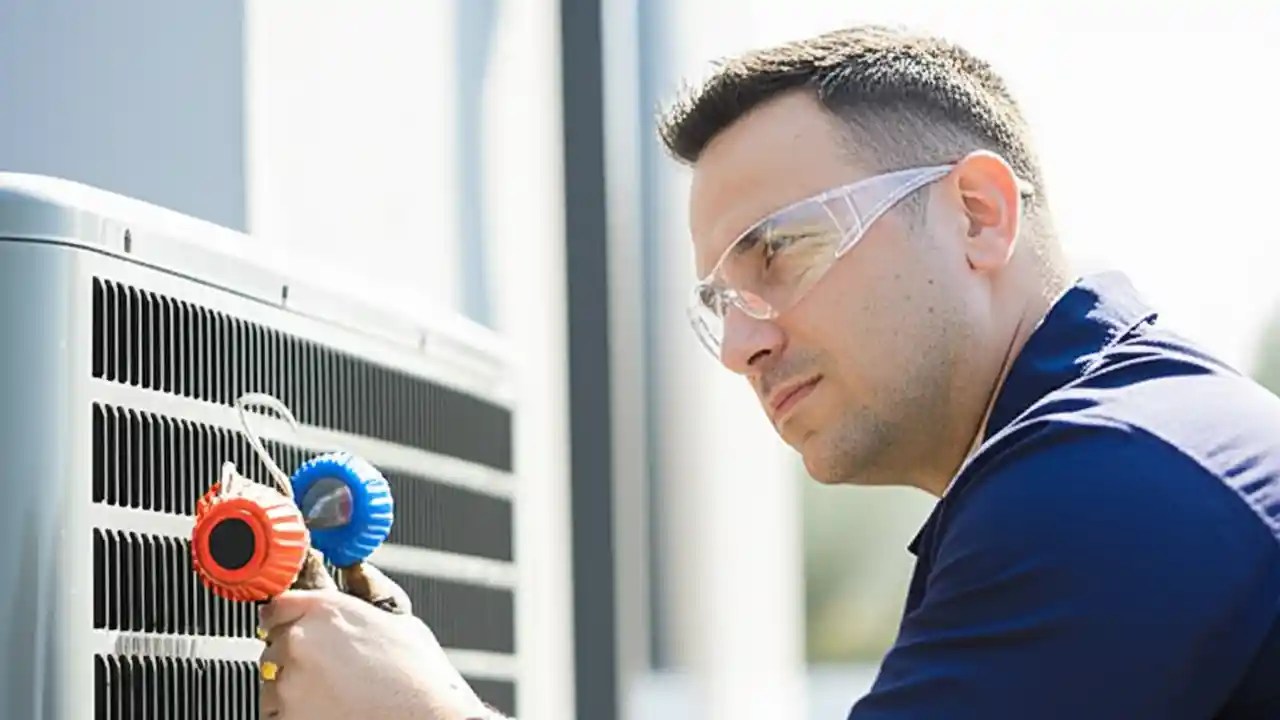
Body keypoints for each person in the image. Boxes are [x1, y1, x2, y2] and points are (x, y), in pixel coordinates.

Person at [256, 24, 1280, 719]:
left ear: (977, 214)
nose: (740, 346)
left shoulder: (1107, 478)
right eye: (718, 302)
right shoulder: (1143, 440)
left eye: (779, 251)